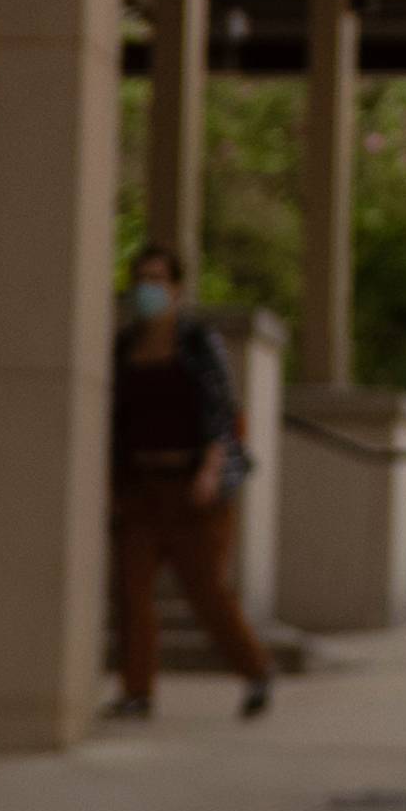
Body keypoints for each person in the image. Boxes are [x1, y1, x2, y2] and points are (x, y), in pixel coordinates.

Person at [105, 271, 274, 722]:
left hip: (194, 488)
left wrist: (212, 469)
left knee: (207, 592)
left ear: (177, 289)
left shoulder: (198, 343)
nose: (149, 290)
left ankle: (256, 670)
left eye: (159, 280)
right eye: (144, 279)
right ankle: (136, 691)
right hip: (140, 486)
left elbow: (224, 411)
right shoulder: (124, 348)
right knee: (131, 590)